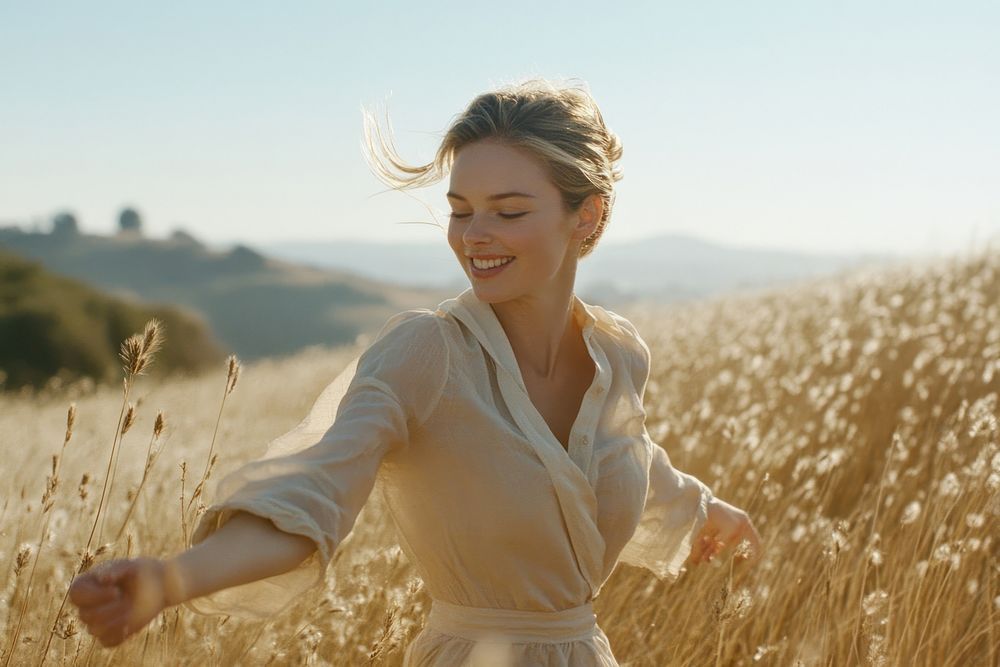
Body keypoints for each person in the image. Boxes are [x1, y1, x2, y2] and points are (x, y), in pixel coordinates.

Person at [69, 78, 762, 665]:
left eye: (508, 211)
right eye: (460, 211)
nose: (474, 235)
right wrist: (170, 579)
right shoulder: (426, 353)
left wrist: (706, 510)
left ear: (587, 216)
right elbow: (311, 489)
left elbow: (616, 458)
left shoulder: (617, 353)